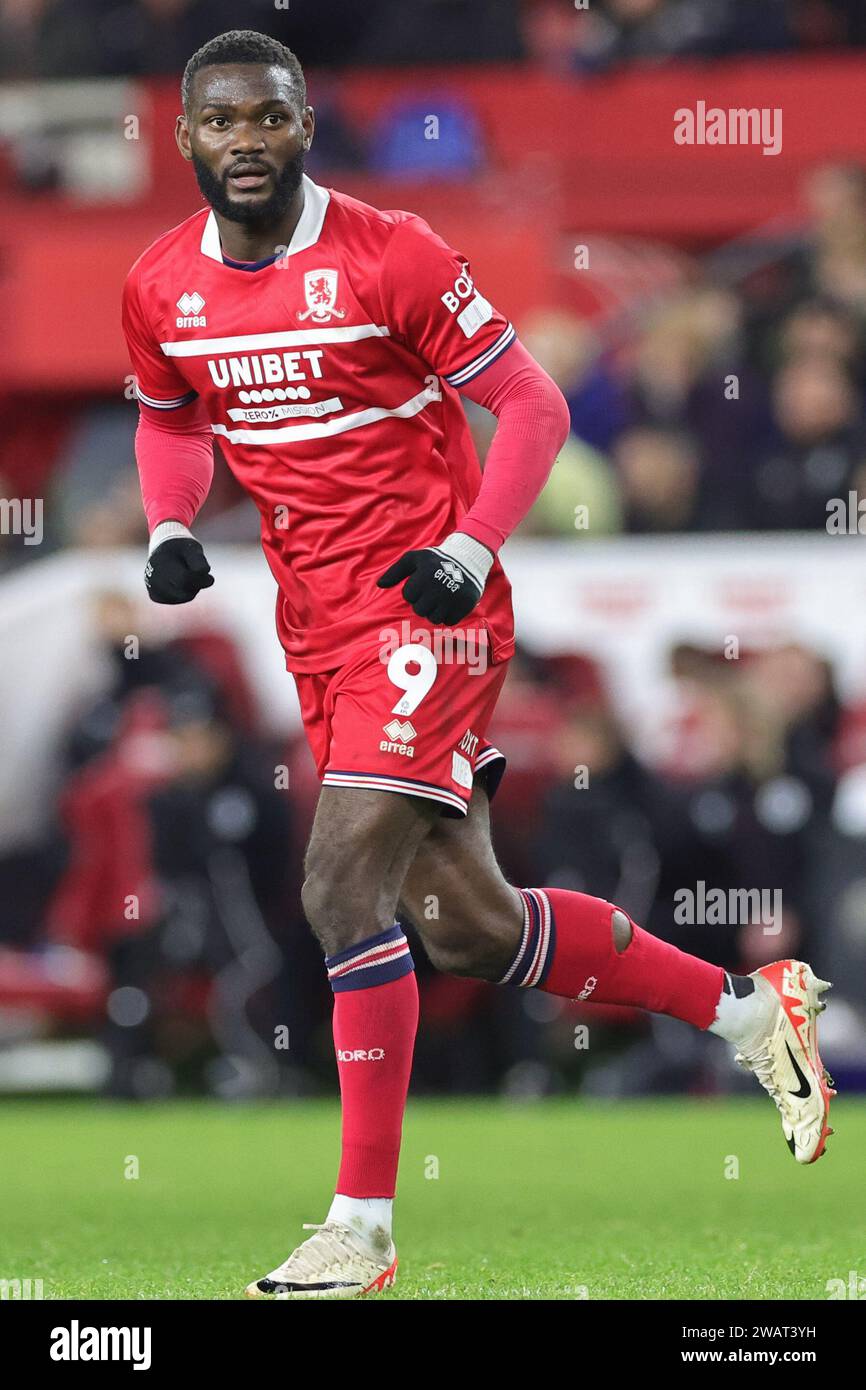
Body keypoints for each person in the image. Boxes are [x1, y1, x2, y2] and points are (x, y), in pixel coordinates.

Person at [122, 29, 835, 1301]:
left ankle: (361, 1225)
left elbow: (535, 402)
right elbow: (172, 416)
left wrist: (467, 545)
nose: (245, 142)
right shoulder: (158, 283)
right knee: (465, 928)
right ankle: (747, 1012)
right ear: (185, 138)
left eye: (269, 119)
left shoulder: (388, 251)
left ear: (302, 129)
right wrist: (174, 524)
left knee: (341, 886)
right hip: (315, 627)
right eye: (220, 122)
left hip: (427, 612)